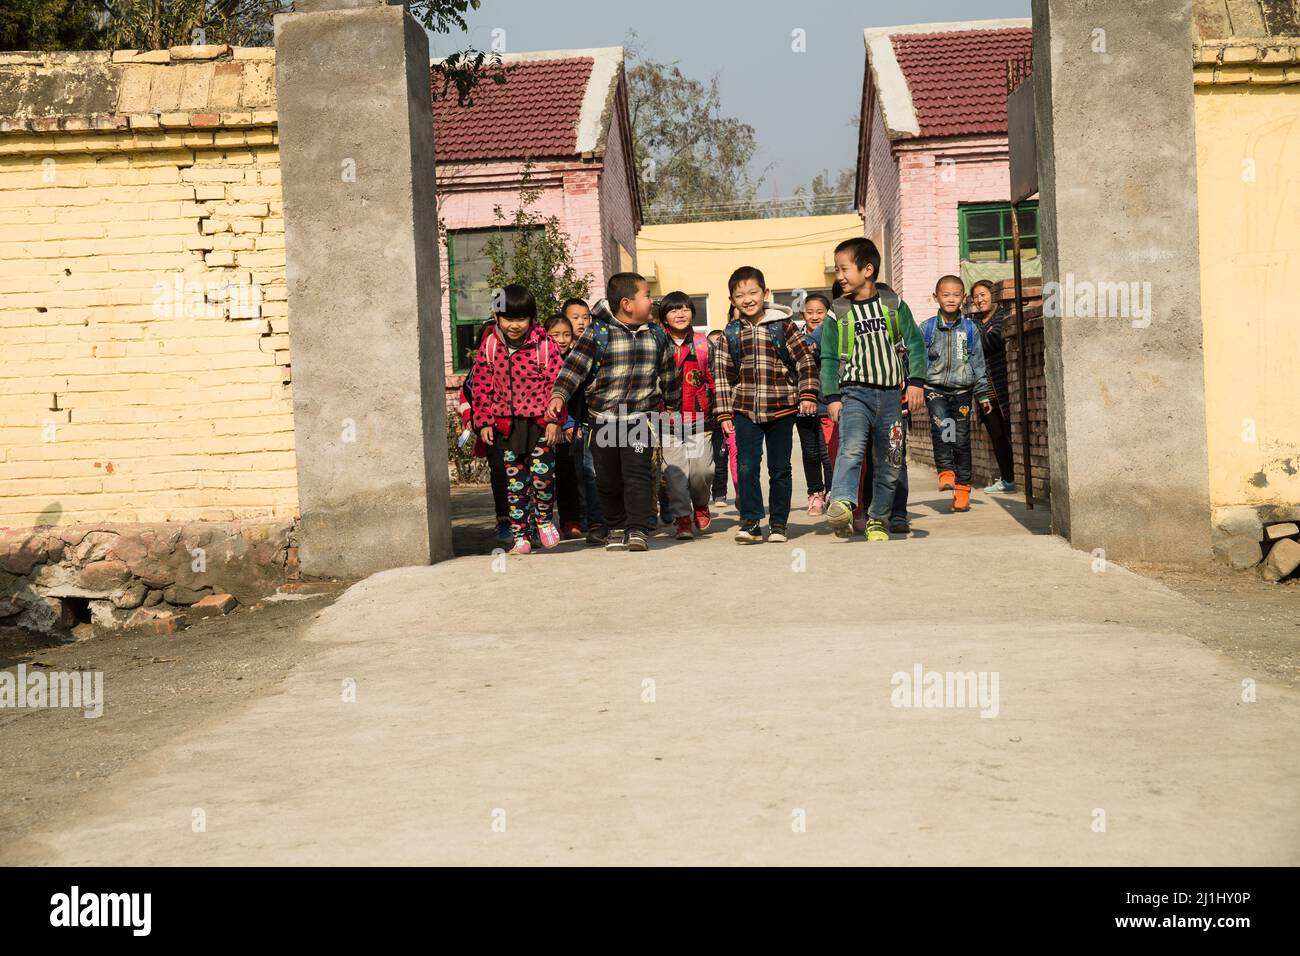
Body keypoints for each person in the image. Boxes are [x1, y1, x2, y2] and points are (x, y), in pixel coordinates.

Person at [547, 273, 681, 552]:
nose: (652, 300)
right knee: (606, 478)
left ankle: (637, 529)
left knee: (637, 475)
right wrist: (559, 395)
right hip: (604, 418)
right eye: (646, 295)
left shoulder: (656, 334)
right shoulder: (598, 333)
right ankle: (617, 525)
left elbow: (668, 372)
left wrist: (672, 406)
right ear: (627, 303)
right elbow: (572, 369)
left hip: (638, 418)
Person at [821, 238, 927, 542]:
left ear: (867, 270)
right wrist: (832, 397)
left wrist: (917, 381)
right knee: (851, 448)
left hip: (892, 397)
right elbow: (828, 357)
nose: (839, 276)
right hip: (855, 395)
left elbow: (916, 344)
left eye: (844, 269)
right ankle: (841, 502)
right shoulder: (837, 312)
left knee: (891, 459)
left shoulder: (894, 306)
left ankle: (878, 519)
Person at [713, 266, 819, 544]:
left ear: (765, 293)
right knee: (747, 466)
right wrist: (724, 412)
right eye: (740, 295)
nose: (747, 299)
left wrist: (807, 394)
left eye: (753, 292)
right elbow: (722, 375)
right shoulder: (731, 333)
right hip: (745, 411)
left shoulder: (783, 326)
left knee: (780, 468)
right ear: (732, 300)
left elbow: (805, 361)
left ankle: (779, 524)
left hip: (782, 408)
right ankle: (750, 522)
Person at [470, 285, 566, 554]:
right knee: (515, 485)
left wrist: (553, 421)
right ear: (497, 316)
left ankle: (544, 520)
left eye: (521, 318)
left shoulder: (545, 346)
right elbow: (481, 386)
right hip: (506, 426)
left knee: (542, 478)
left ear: (532, 318)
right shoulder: (490, 345)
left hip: (538, 423)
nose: (514, 325)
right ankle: (520, 537)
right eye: (508, 318)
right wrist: (485, 422)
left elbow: (557, 385)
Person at [920, 275, 993, 513]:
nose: (951, 299)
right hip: (935, 390)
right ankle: (946, 472)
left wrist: (982, 394)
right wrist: (913, 384)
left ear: (964, 298)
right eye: (945, 295)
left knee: (960, 439)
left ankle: (962, 489)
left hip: (963, 391)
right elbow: (917, 359)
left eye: (956, 295)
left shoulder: (970, 329)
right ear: (936, 297)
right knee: (942, 430)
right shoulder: (928, 328)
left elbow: (978, 362)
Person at [658, 291, 716, 539]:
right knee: (674, 473)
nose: (680, 314)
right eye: (673, 310)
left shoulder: (704, 344)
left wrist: (722, 412)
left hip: (699, 419)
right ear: (664, 318)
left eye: (685, 309)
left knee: (701, 471)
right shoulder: (657, 343)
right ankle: (682, 518)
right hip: (667, 421)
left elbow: (715, 381)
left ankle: (701, 504)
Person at [458, 323, 512, 544]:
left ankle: (529, 522)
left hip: (520, 426)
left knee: (525, 473)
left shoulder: (518, 361)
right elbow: (467, 396)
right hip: (492, 429)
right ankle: (504, 520)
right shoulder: (477, 371)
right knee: (499, 471)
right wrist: (472, 419)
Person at [559, 298, 606, 543]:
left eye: (585, 317)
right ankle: (579, 518)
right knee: (576, 473)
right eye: (575, 317)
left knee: (593, 472)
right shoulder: (559, 353)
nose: (581, 321)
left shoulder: (597, 346)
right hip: (569, 422)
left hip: (593, 420)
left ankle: (596, 519)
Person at [968, 279, 1018, 494]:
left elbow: (994, 339)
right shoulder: (977, 323)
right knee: (996, 436)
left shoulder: (1001, 317)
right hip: (985, 391)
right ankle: (1007, 479)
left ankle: (1018, 477)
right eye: (976, 297)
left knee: (1010, 432)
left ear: (993, 294)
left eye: (983, 294)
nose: (980, 300)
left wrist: (975, 343)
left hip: (1005, 386)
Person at [544, 313, 583, 538]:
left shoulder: (576, 361)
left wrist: (569, 424)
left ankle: (571, 520)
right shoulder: (539, 359)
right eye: (555, 334)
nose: (561, 339)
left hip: (570, 430)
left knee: (569, 475)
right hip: (545, 427)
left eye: (566, 334)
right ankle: (543, 522)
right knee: (543, 479)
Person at [795, 293, 834, 515]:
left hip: (827, 403)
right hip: (803, 404)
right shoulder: (797, 339)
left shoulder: (831, 336)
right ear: (803, 315)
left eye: (820, 312)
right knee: (810, 452)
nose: (815, 316)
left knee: (828, 451)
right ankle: (815, 494)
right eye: (810, 312)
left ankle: (831, 492)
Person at [707, 327, 737, 504]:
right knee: (708, 460)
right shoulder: (704, 365)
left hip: (727, 417)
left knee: (724, 456)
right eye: (714, 343)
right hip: (706, 418)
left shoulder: (730, 365)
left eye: (720, 341)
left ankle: (720, 493)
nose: (717, 346)